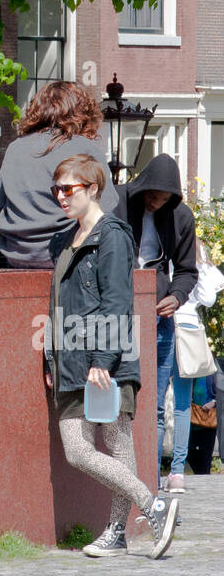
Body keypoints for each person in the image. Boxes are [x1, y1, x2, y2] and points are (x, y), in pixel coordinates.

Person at [45, 154, 178, 560]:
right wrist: (51, 359)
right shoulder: (67, 241)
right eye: (57, 189)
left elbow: (117, 302)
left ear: (94, 189)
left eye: (69, 189)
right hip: (70, 359)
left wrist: (103, 360)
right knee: (78, 449)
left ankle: (126, 524)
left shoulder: (113, 236)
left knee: (116, 442)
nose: (61, 197)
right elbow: (58, 305)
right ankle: (146, 510)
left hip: (107, 359)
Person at [115, 154, 198, 492]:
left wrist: (176, 296)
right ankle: (127, 477)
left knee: (154, 401)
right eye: (151, 194)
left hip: (158, 319)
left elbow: (187, 269)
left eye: (163, 198)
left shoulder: (180, 216)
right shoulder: (118, 201)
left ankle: (148, 477)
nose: (155, 201)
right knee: (120, 398)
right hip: (118, 314)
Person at [0, 81, 118, 268]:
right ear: (83, 113)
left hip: (16, 256)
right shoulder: (86, 149)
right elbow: (107, 207)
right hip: (67, 257)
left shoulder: (15, 148)